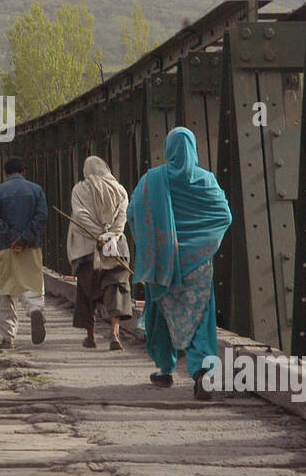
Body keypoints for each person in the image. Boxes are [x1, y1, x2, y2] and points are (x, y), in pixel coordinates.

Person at [127, 127, 232, 399]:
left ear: (168, 148)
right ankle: (202, 372)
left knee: (160, 315)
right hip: (197, 265)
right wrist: (202, 244)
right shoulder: (206, 180)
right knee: (199, 317)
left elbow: (132, 214)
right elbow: (224, 216)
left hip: (162, 262)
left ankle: (165, 369)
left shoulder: (152, 180)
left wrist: (153, 243)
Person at [66, 156, 133, 351]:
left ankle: (91, 337)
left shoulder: (80, 189)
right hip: (116, 249)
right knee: (117, 289)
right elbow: (123, 215)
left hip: (87, 249)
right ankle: (114, 333)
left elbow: (79, 215)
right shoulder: (119, 189)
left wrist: (98, 235)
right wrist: (111, 234)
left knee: (87, 292)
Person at [0, 157, 48, 349]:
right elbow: (42, 216)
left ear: (6, 174)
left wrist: (12, 237)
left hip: (6, 247)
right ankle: (35, 309)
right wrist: (25, 238)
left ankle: (8, 336)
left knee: (4, 291)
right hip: (31, 247)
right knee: (32, 283)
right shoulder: (36, 190)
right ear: (24, 171)